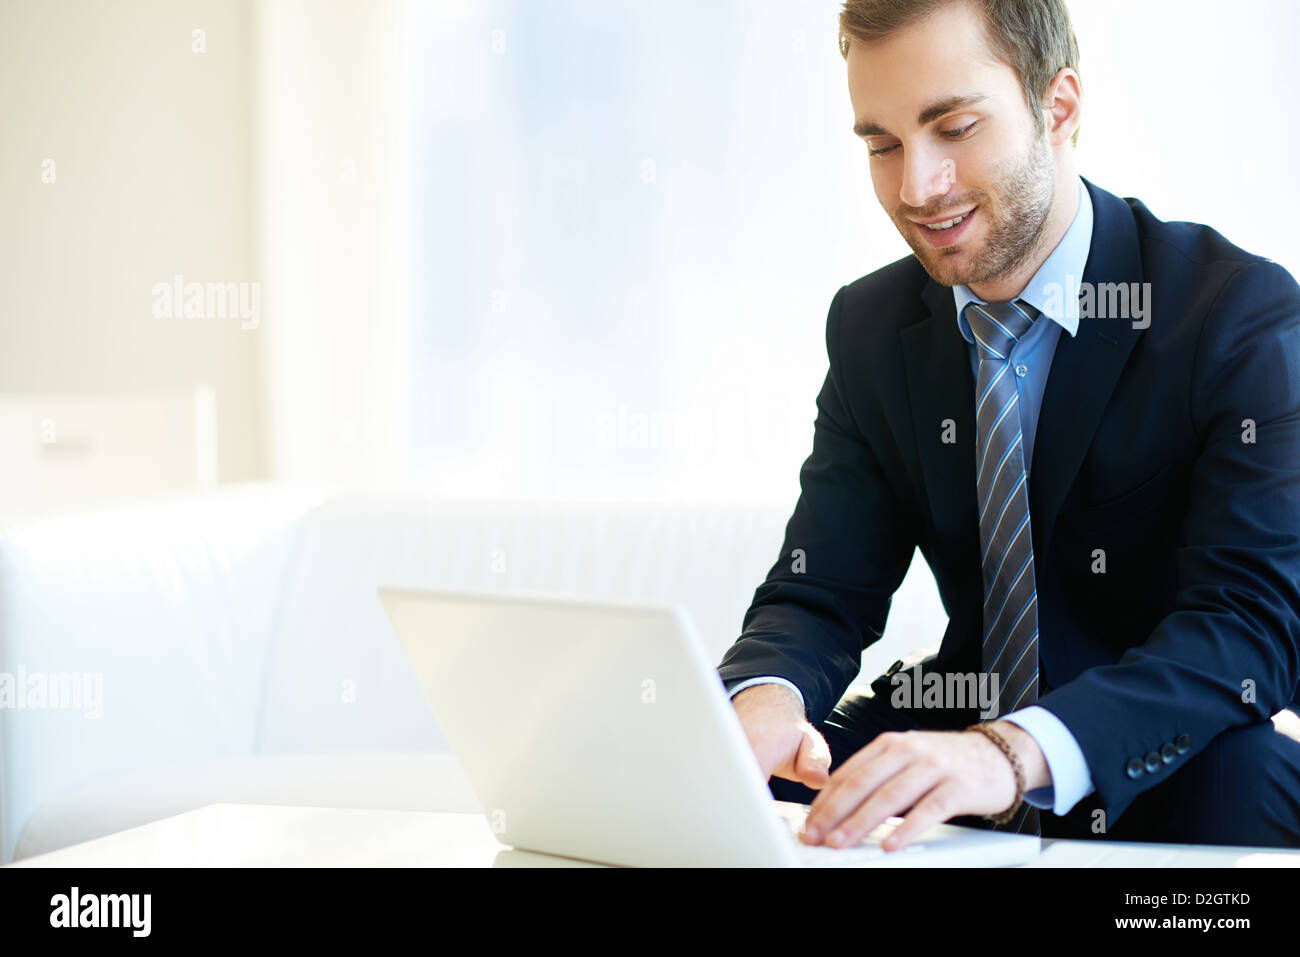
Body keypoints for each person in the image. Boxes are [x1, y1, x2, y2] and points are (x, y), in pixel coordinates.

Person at [717, 0, 1300, 852]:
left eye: (954, 127)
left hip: (1168, 754)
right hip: (956, 724)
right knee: (739, 784)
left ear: (1057, 108)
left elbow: (1251, 623)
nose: (916, 187)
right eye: (881, 145)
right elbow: (822, 589)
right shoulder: (873, 327)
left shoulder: (1234, 316)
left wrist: (1013, 752)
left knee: (1239, 787)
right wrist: (761, 700)